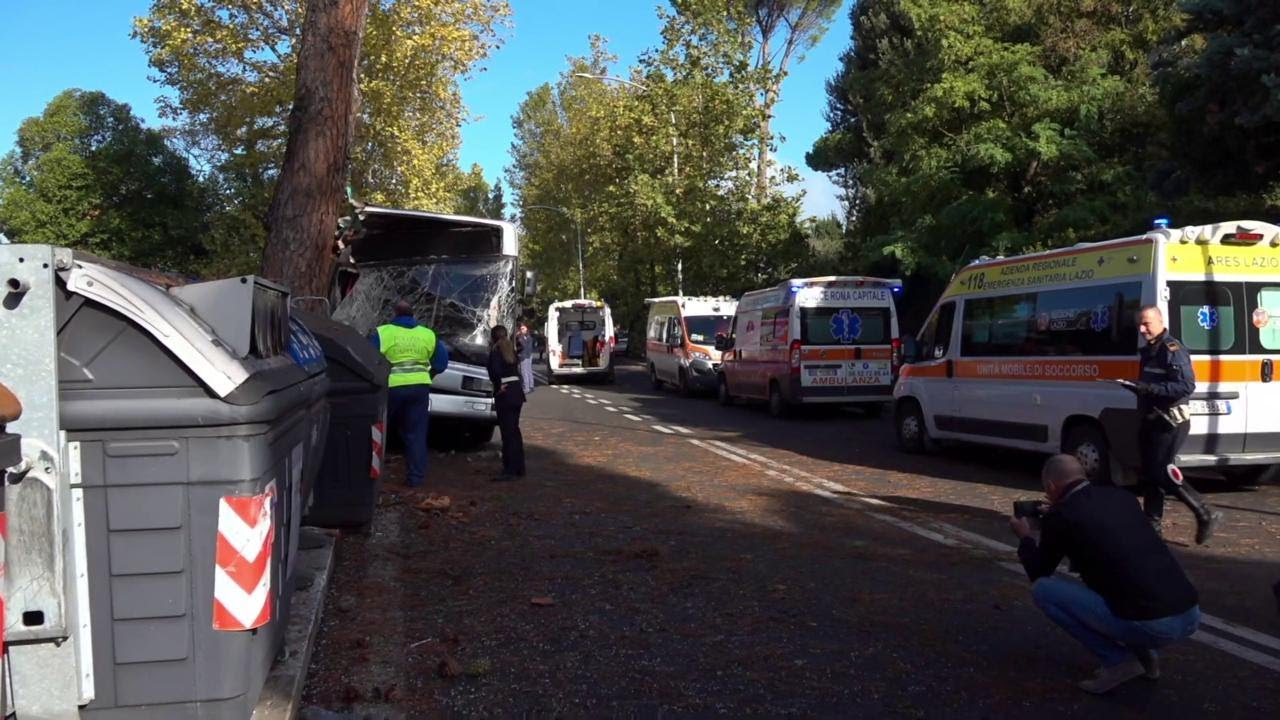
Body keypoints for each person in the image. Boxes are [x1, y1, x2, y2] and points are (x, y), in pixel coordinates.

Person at [1011, 454, 1201, 695]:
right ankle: (1145, 658)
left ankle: (1119, 662)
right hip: (1190, 612)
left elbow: (1039, 572)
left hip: (1154, 624)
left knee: (1044, 591)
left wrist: (1026, 539)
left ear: (1050, 486)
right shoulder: (1122, 497)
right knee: (1119, 579)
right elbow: (1110, 543)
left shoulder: (1062, 517)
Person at [1134, 305, 1221, 543]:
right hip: (1151, 418)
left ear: (1160, 322)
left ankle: (1204, 512)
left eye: (1147, 324)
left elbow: (1186, 386)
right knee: (1151, 474)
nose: (1142, 329)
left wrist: (1149, 388)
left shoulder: (1172, 349)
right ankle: (1152, 528)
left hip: (1170, 421)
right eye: (1139, 324)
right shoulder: (1150, 349)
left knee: (1162, 472)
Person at [369, 299, 448, 488]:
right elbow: (441, 363)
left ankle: (372, 477)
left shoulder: (383, 332)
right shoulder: (427, 334)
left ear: (394, 314)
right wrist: (428, 374)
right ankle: (416, 478)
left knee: (379, 430)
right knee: (416, 434)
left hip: (391, 388)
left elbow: (369, 360)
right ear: (413, 315)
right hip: (419, 389)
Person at [487, 325, 526, 481]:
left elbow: (495, 372)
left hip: (505, 393)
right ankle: (519, 466)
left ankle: (509, 469)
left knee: (507, 432)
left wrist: (498, 386)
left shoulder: (496, 351)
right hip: (516, 392)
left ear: (493, 338)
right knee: (515, 431)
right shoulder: (511, 349)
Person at [516, 323, 535, 394]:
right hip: (528, 355)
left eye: (523, 329)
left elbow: (523, 346)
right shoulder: (528, 337)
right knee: (528, 371)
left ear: (526, 329)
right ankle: (531, 386)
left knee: (524, 372)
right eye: (521, 329)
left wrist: (519, 337)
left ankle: (526, 387)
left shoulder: (522, 337)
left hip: (524, 356)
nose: (521, 330)